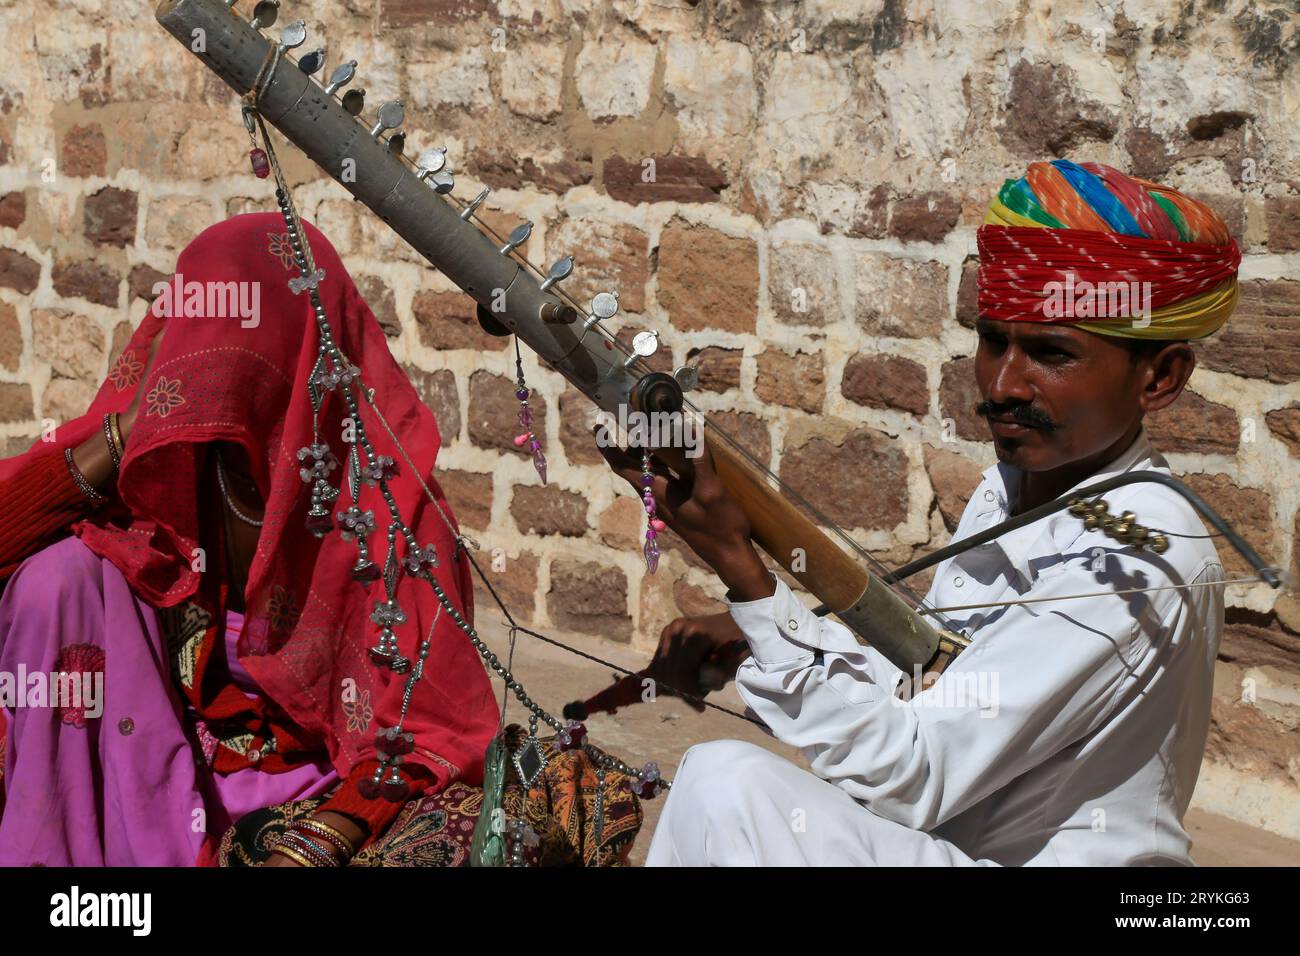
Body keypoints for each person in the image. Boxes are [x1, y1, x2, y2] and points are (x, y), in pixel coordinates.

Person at [599, 160, 1239, 866]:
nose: (1000, 385)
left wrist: (743, 572)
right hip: (952, 839)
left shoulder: (1139, 561)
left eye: (1051, 354)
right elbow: (934, 688)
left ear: (1161, 378)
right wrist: (768, 633)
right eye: (994, 341)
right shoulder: (1018, 485)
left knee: (730, 788)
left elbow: (913, 770)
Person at [0, 212, 501, 866]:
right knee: (57, 580)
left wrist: (323, 840)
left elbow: (435, 728)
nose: (213, 372)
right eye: (195, 340)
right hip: (151, 764)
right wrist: (128, 426)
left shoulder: (384, 502)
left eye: (240, 352)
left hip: (314, 786)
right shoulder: (175, 467)